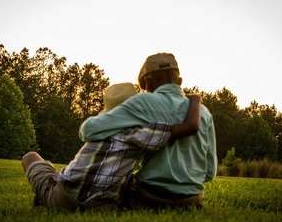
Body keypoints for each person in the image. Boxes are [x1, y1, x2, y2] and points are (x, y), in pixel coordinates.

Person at [22, 82, 201, 211]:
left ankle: (44, 196)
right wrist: (195, 100)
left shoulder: (99, 129)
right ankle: (49, 190)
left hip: (65, 196)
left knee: (30, 157)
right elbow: (190, 126)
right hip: (102, 205)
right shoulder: (140, 132)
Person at [80, 53, 217, 209]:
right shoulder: (204, 113)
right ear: (179, 81)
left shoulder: (143, 101)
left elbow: (88, 130)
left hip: (148, 198)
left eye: (145, 88)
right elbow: (209, 172)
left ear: (148, 82)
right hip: (192, 202)